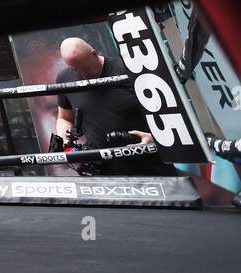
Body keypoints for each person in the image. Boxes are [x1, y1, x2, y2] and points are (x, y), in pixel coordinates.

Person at [55, 37, 173, 176]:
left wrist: (156, 139)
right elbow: (64, 118)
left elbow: (169, 114)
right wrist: (65, 139)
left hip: (150, 165)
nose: (83, 74)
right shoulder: (65, 79)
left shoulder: (130, 71)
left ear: (94, 53)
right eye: (76, 70)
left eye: (86, 68)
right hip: (105, 172)